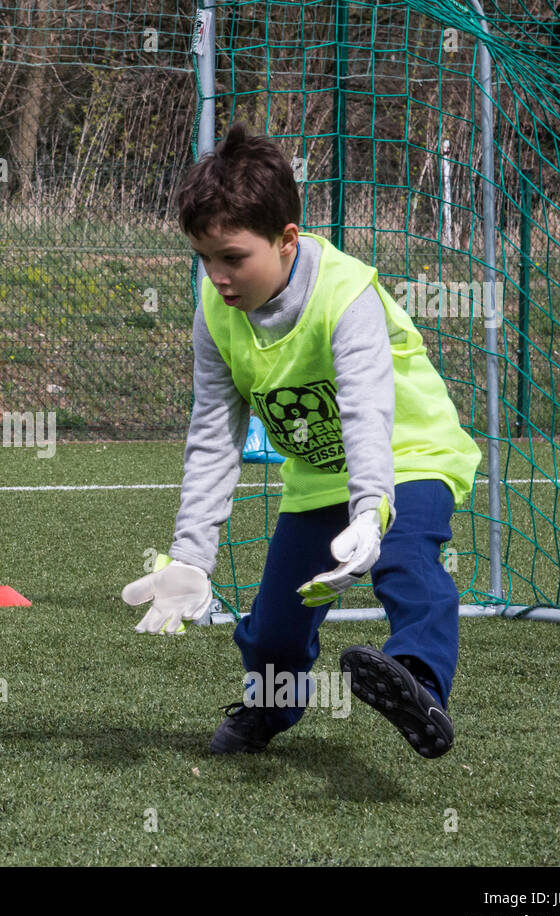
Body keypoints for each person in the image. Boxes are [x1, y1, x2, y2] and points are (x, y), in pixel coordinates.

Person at [122, 123, 481, 758]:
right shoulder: (215, 310)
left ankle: (419, 683)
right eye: (204, 258)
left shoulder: (346, 295)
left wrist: (371, 512)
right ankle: (267, 710)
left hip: (407, 455)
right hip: (318, 477)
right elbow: (213, 435)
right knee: (275, 631)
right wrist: (191, 557)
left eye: (233, 257)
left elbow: (369, 412)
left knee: (405, 562)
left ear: (288, 240)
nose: (218, 276)